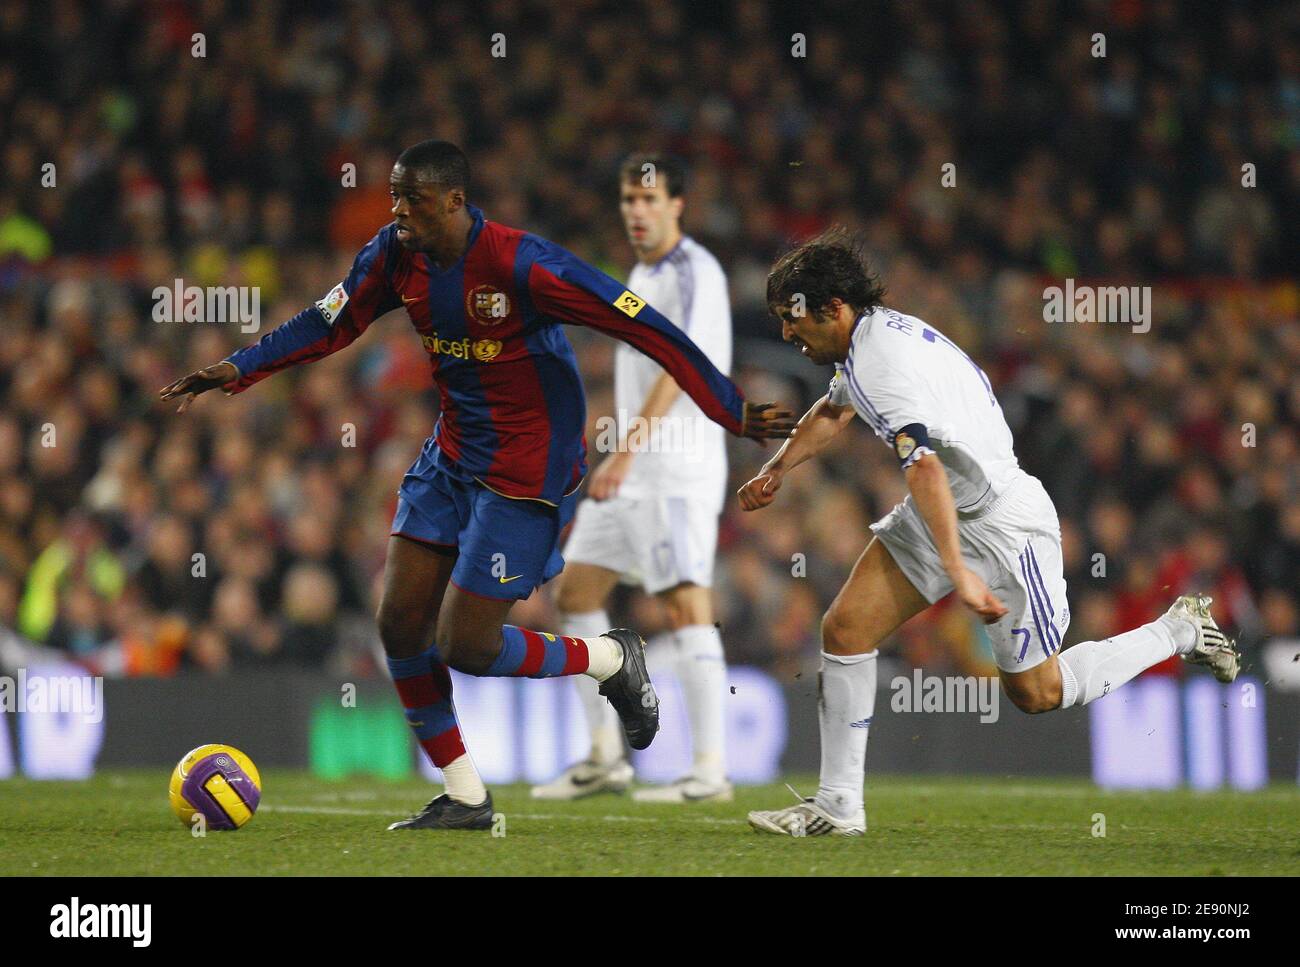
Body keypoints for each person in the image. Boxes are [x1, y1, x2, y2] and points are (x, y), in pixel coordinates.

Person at [160, 141, 794, 830]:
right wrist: (238, 368)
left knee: (468, 646)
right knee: (399, 620)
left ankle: (611, 659)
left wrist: (730, 408)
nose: (399, 210)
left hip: (527, 468)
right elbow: (329, 322)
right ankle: (464, 795)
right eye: (395, 196)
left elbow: (647, 326)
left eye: (414, 199)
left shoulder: (527, 263)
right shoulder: (393, 255)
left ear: (455, 200)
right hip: (453, 452)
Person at [739, 229, 1240, 837]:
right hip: (944, 510)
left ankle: (1180, 628)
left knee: (1037, 692)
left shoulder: (882, 364)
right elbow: (835, 408)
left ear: (832, 308)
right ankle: (838, 807)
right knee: (845, 628)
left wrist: (957, 572)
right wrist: (777, 468)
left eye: (794, 320)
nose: (788, 334)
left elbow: (921, 465)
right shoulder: (869, 341)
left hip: (1002, 526)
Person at [532, 154, 734, 804]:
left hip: (675, 466)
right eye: (628, 200)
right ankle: (604, 755)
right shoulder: (642, 275)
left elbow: (683, 363)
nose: (636, 211)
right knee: (575, 591)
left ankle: (709, 771)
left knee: (684, 603)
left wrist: (624, 451)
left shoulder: (694, 271)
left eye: (648, 198)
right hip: (634, 469)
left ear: (677, 204)